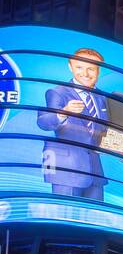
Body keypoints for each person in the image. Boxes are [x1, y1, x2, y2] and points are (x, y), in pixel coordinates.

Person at [37, 48, 109, 202]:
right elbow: (44, 121)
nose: (85, 73)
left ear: (99, 70)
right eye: (79, 67)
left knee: (95, 218)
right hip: (67, 170)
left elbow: (104, 128)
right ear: (70, 67)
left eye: (91, 68)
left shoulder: (102, 97)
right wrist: (63, 112)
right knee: (65, 217)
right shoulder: (58, 93)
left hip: (95, 171)